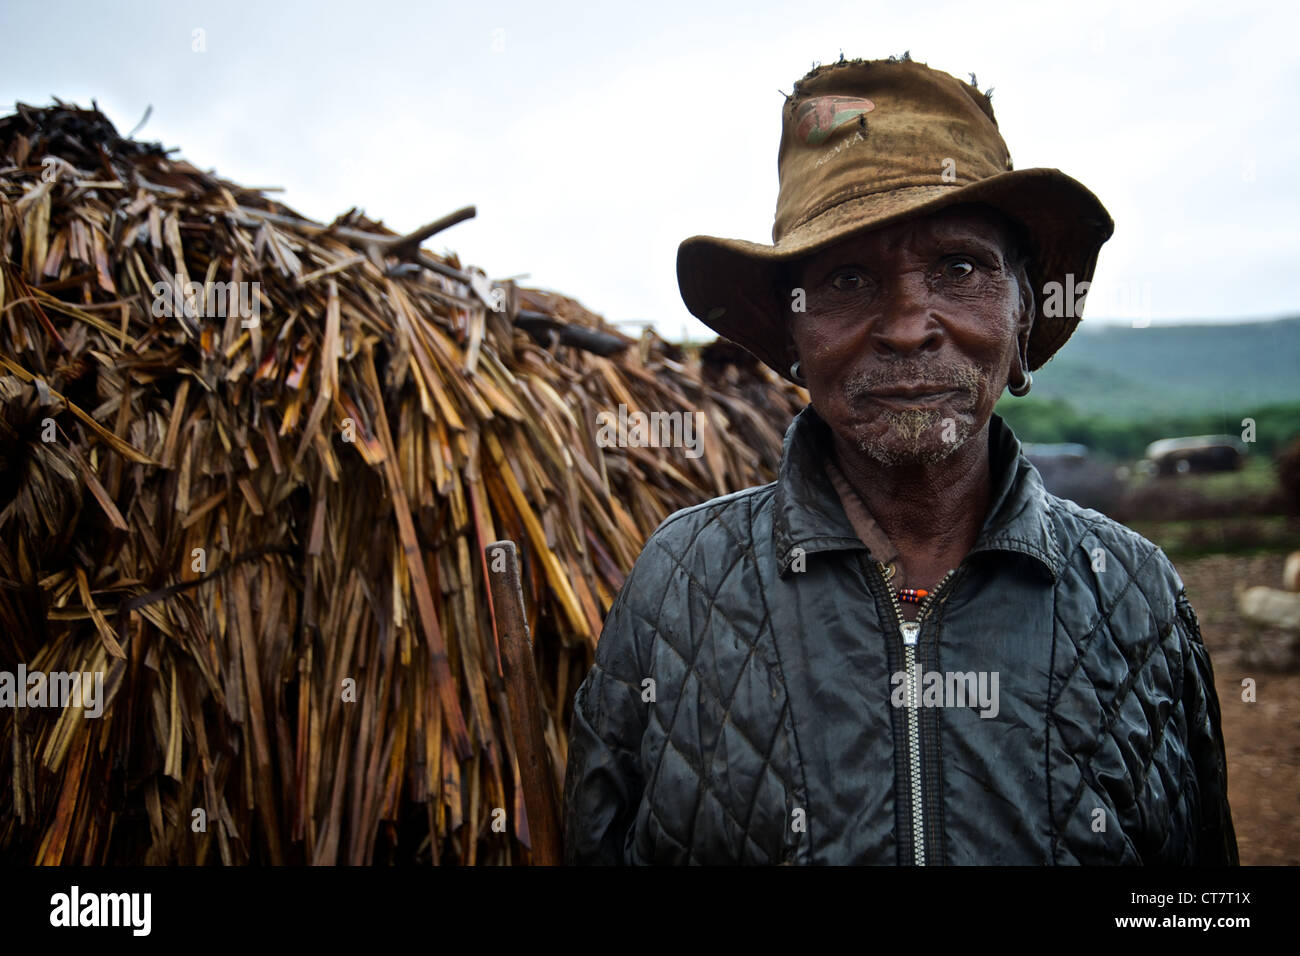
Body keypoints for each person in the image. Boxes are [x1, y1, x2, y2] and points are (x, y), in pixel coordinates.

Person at [562, 56, 1238, 865]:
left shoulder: (1137, 596)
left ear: (1024, 322)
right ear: (793, 341)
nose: (909, 326)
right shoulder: (679, 583)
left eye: (959, 267)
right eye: (849, 278)